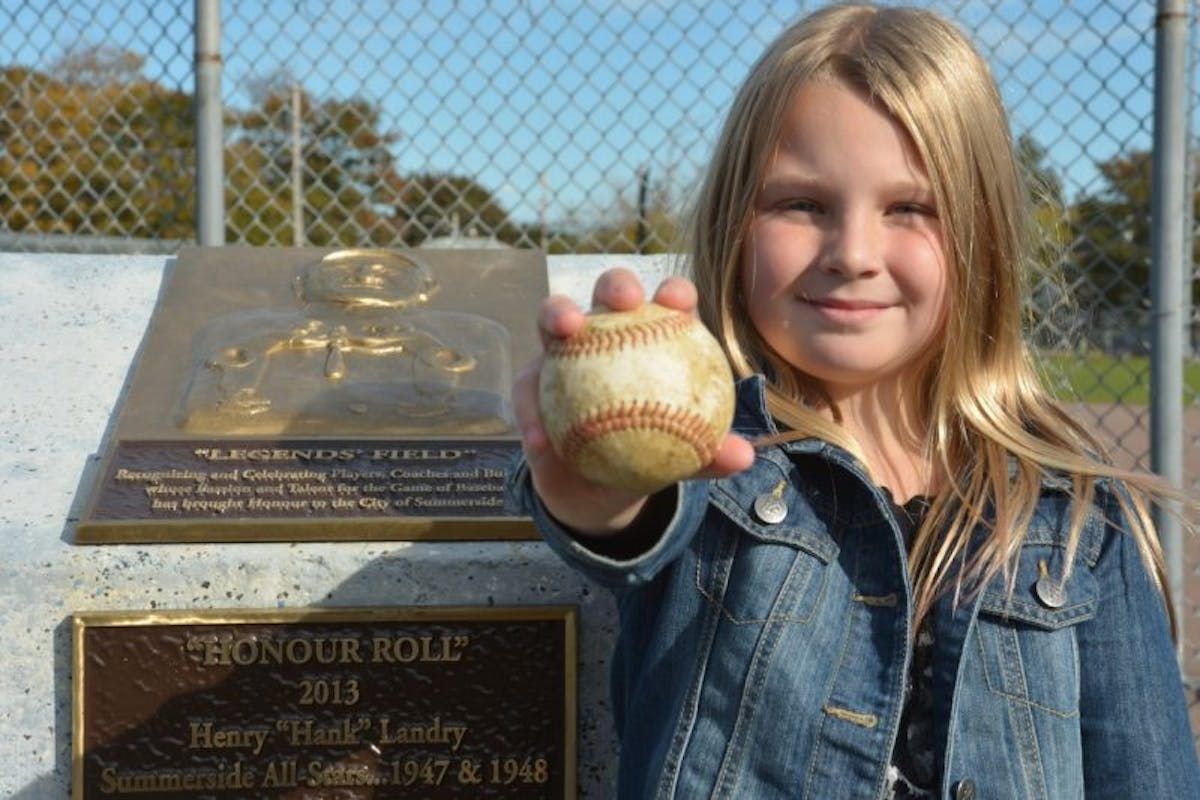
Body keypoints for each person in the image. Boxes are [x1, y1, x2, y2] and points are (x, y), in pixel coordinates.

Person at [511, 4, 1200, 798]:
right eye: (802, 204)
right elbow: (630, 522)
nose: (854, 254)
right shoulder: (717, 461)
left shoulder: (1077, 516)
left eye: (910, 208)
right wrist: (597, 487)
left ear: (980, 237)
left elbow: (1148, 777)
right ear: (737, 225)